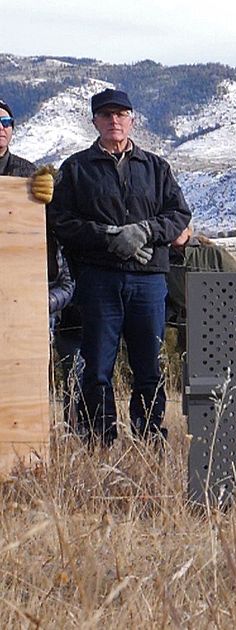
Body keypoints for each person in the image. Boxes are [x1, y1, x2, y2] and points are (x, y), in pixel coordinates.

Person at [48, 88, 191, 445]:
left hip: (148, 281)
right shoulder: (76, 168)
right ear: (94, 121)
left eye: (121, 114)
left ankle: (149, 438)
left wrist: (144, 231)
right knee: (97, 367)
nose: (114, 121)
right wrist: (107, 235)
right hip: (99, 280)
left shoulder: (156, 167)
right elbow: (61, 220)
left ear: (132, 119)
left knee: (148, 367)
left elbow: (178, 215)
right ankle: (99, 438)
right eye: (106, 115)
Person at [1, 99, 78, 427]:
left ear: (13, 129)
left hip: (24, 295)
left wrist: (51, 201)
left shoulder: (28, 173)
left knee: (25, 377)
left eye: (6, 121)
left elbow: (55, 230)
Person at [166, 225, 236, 353]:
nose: (175, 230)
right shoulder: (163, 259)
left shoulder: (214, 254)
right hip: (182, 330)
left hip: (218, 329)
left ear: (189, 230)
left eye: (181, 226)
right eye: (171, 226)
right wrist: (173, 317)